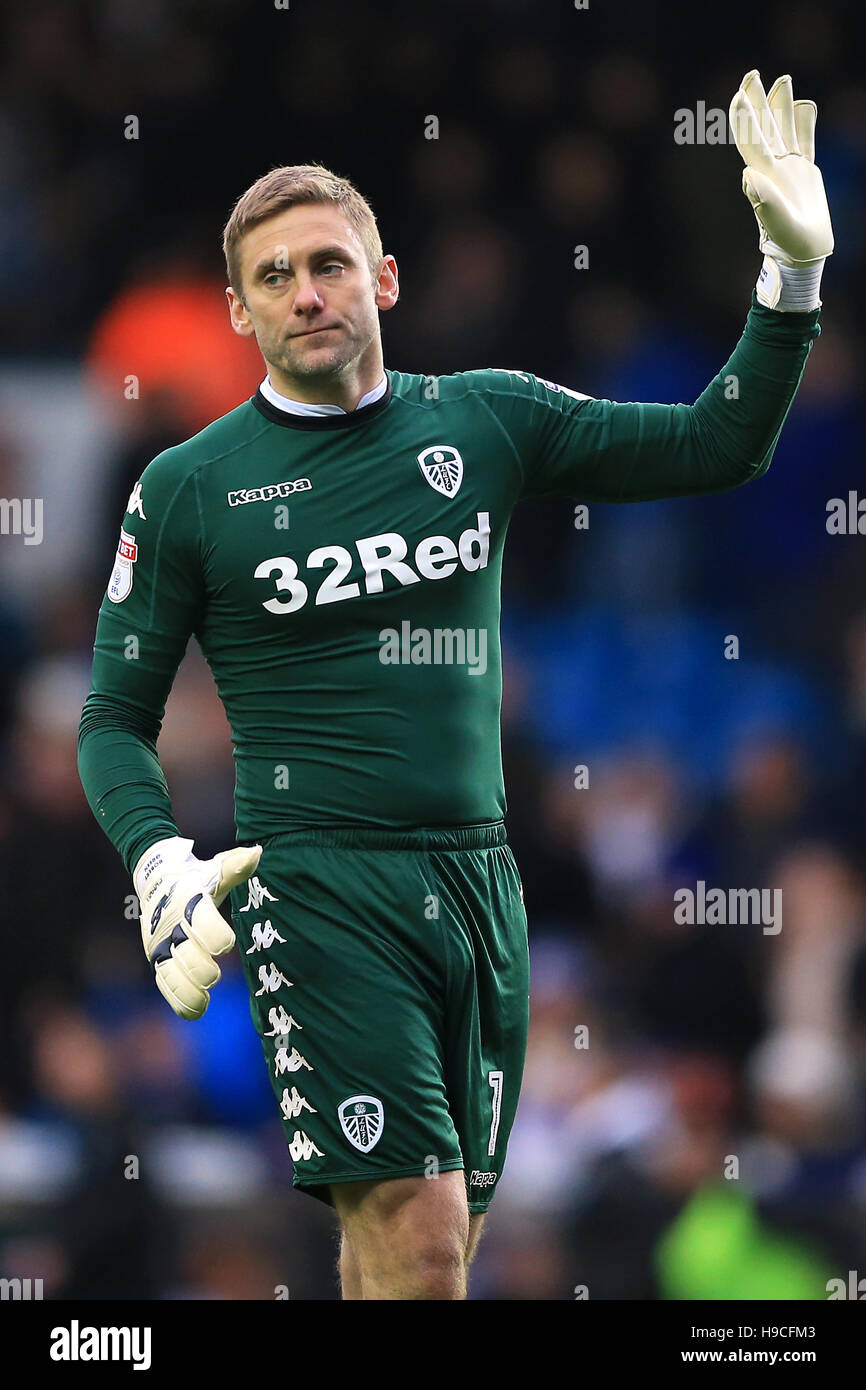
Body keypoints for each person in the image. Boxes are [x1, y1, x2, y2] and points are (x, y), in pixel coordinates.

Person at [78, 70, 832, 1300]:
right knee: (421, 1237)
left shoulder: (483, 420)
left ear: (382, 280)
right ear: (236, 312)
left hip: (479, 884)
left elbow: (715, 442)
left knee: (426, 1259)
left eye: (327, 263)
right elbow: (111, 718)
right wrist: (155, 851)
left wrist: (787, 277)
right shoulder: (190, 488)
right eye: (273, 277)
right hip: (314, 884)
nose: (304, 293)